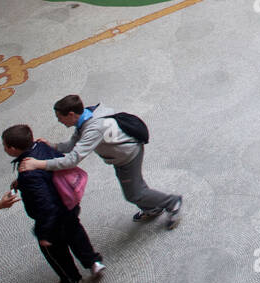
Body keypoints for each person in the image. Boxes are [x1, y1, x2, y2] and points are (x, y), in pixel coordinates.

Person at [20, 95, 183, 229]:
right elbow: (71, 145)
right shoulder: (86, 117)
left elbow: (72, 160)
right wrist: (52, 145)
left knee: (134, 193)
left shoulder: (93, 128)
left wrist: (38, 164)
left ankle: (172, 202)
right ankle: (151, 207)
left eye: (60, 117)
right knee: (136, 187)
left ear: (70, 114)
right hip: (123, 154)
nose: (59, 121)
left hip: (128, 156)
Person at [2, 124, 104, 283]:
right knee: (76, 234)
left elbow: (46, 206)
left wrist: (44, 233)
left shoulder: (28, 174)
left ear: (12, 148)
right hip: (69, 204)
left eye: (4, 145)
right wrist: (21, 182)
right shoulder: (41, 146)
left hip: (55, 217)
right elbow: (52, 166)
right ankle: (92, 262)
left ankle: (72, 282)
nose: (4, 148)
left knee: (56, 251)